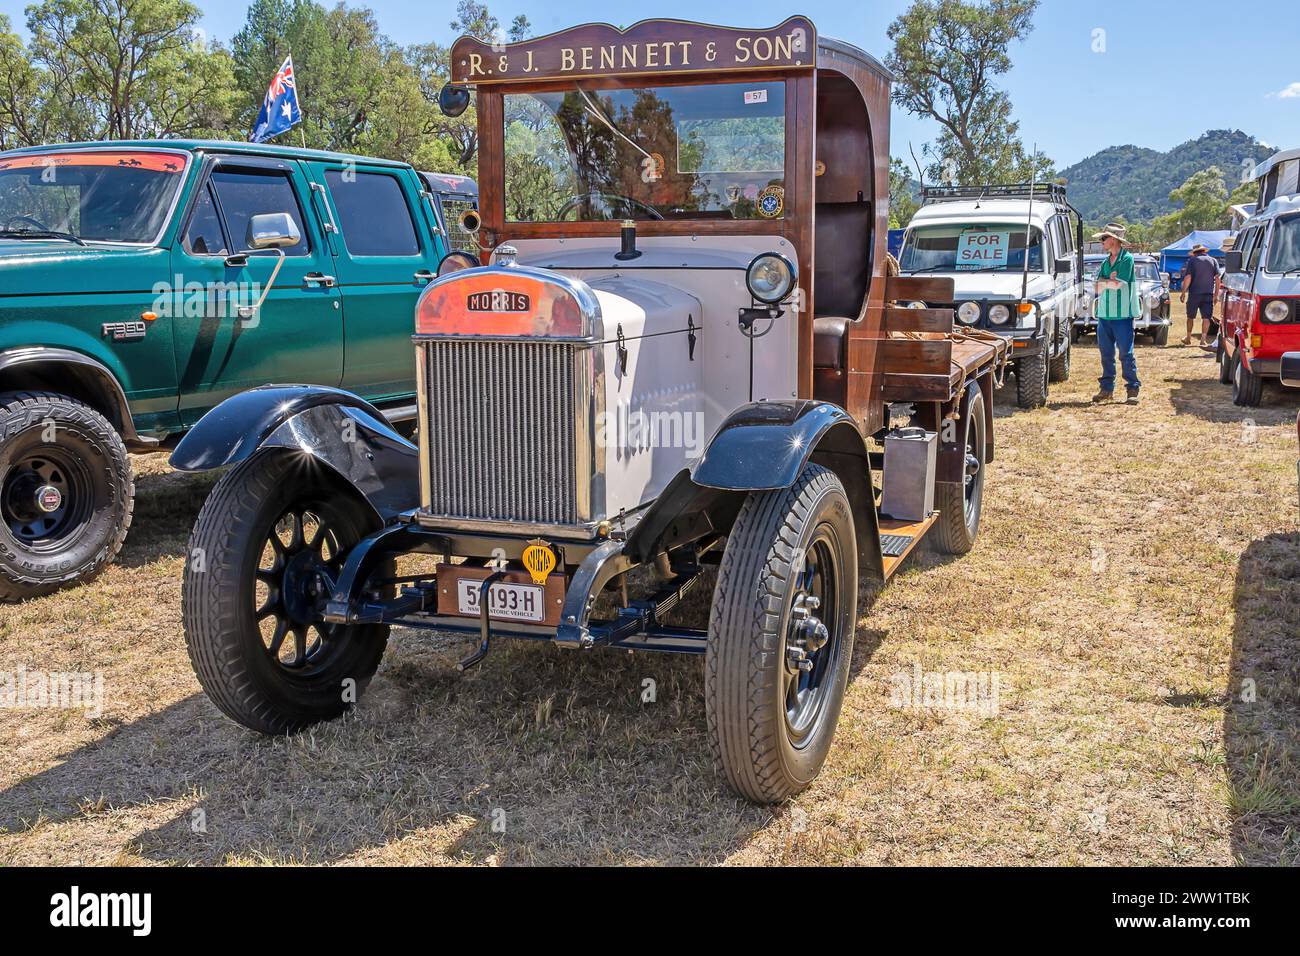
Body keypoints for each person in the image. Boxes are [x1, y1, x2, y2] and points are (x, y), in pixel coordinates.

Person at [1091, 222, 1141, 405]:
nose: (1102, 241)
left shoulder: (1127, 259)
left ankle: (1132, 389)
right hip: (1105, 314)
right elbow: (1097, 287)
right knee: (1106, 354)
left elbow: (1118, 284)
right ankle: (1106, 389)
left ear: (1113, 239)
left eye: (1104, 238)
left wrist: (1107, 281)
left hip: (1123, 315)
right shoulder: (1106, 262)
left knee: (1125, 354)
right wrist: (1108, 281)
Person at [1179, 242, 1222, 346]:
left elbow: (1188, 277)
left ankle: (1188, 337)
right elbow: (1217, 279)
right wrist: (1216, 294)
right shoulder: (1213, 260)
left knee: (1190, 317)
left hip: (1194, 293)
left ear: (1194, 253)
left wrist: (1183, 292)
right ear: (1204, 251)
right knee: (1206, 318)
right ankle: (1203, 340)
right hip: (1208, 293)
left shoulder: (1192, 260)